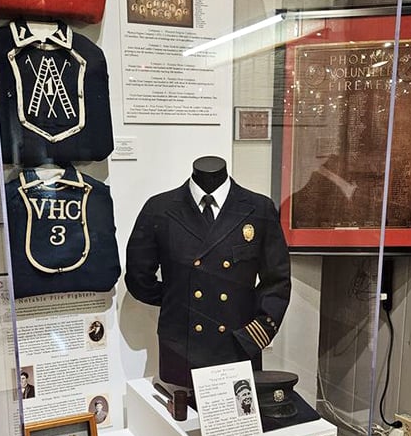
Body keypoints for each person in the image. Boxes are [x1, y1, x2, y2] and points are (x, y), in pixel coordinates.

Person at [125, 157, 291, 387]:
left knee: (237, 416)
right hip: (181, 349)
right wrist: (180, 298)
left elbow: (277, 280)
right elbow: (138, 277)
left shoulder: (259, 208)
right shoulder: (159, 209)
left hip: (237, 345)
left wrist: (257, 332)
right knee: (181, 421)